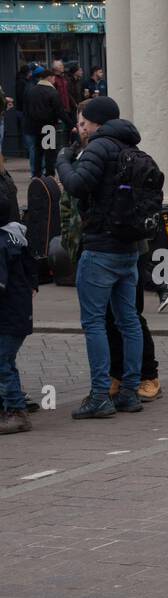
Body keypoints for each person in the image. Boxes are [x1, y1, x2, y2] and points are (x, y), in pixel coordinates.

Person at [54, 96, 146, 419]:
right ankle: (131, 392)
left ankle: (99, 395)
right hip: (128, 248)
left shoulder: (99, 146)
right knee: (128, 320)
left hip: (100, 249)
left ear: (96, 122)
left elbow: (78, 185)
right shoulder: (131, 147)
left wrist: (63, 161)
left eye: (85, 121)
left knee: (94, 322)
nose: (83, 127)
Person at [0, 184, 38, 435]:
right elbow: (33, 273)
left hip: (7, 315)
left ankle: (16, 411)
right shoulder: (16, 236)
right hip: (19, 313)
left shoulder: (1, 244)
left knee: (2, 362)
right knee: (6, 360)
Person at [24, 68, 63, 178]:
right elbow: (59, 111)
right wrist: (71, 125)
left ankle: (36, 175)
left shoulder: (32, 90)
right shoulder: (52, 91)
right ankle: (49, 174)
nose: (55, 80)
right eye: (54, 78)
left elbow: (26, 109)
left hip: (35, 126)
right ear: (50, 78)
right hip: (49, 126)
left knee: (38, 151)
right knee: (50, 152)